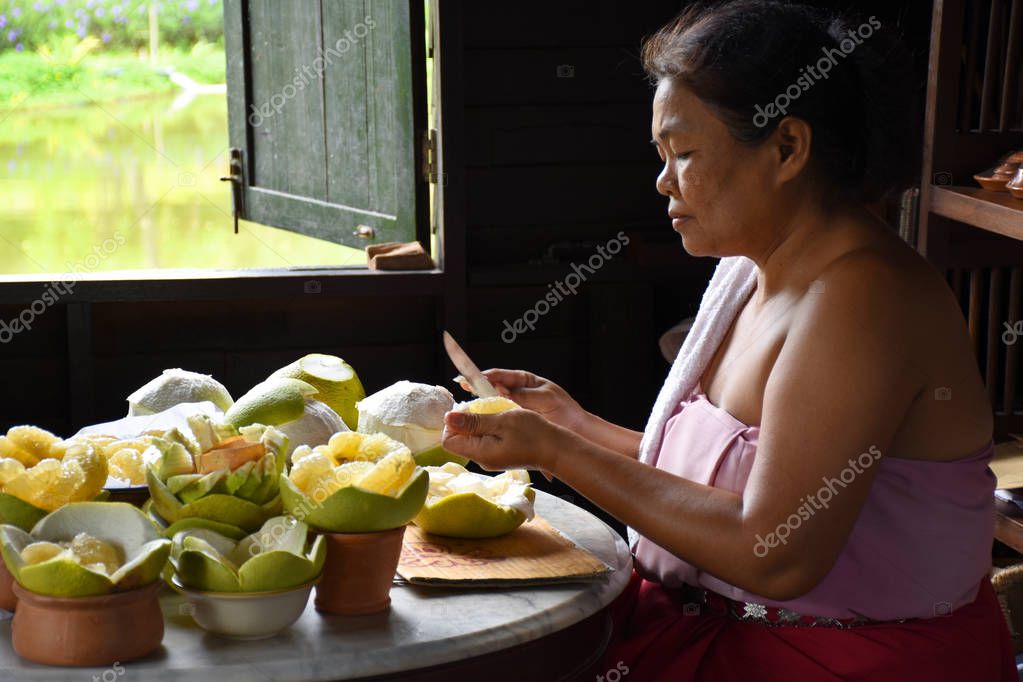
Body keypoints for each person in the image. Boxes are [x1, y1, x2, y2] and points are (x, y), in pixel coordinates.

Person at [441, 2, 1018, 680]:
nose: (662, 181)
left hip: (845, 662)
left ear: (786, 149)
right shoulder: (751, 273)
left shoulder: (865, 298)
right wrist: (575, 425)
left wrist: (558, 452)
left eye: (683, 153)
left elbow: (773, 549)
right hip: (714, 634)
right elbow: (721, 481)